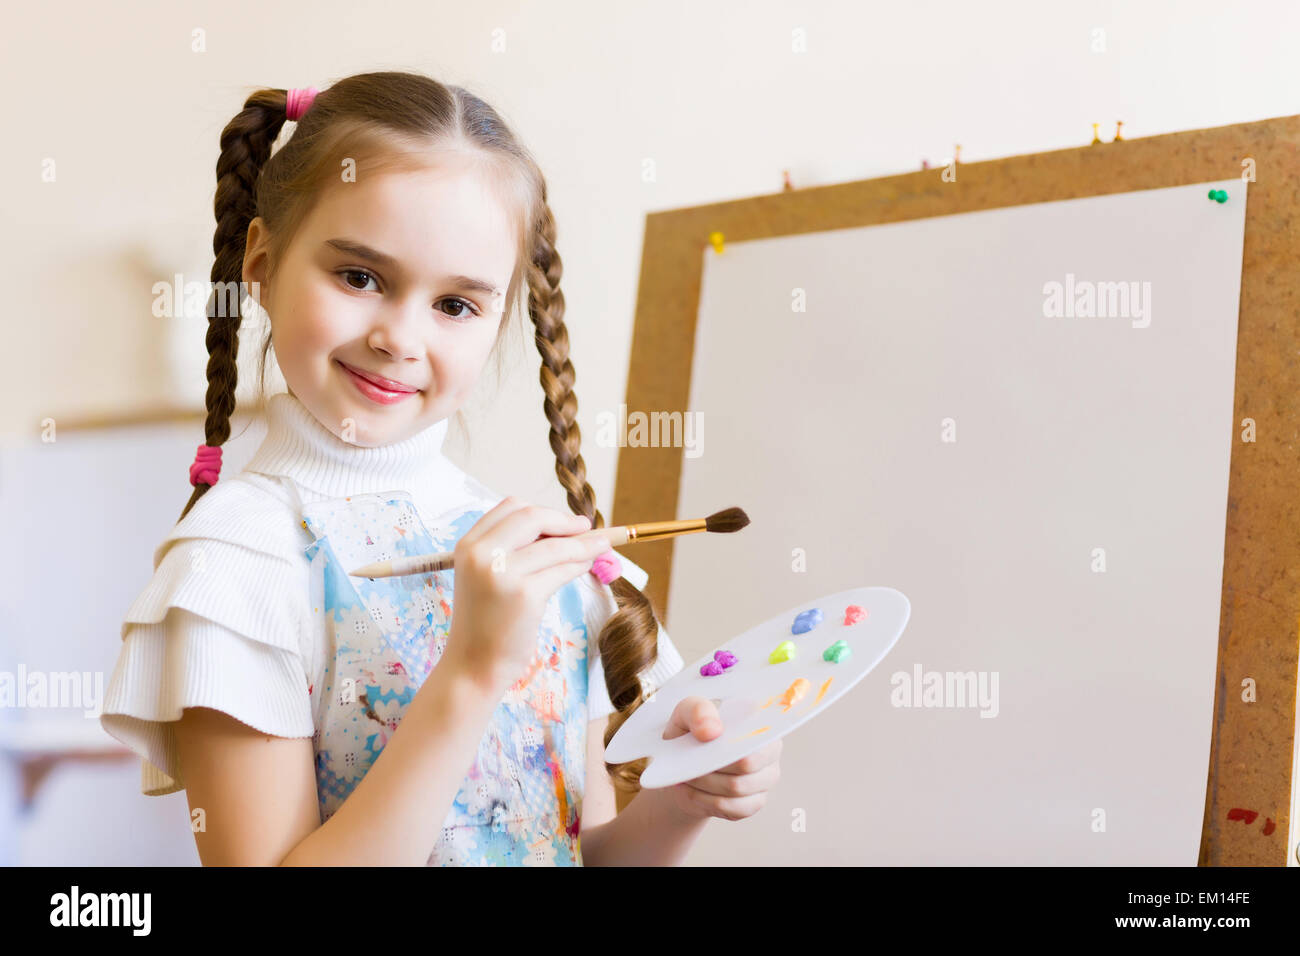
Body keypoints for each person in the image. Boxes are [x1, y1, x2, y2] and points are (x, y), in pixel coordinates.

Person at [100, 72, 781, 866]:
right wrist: (473, 670)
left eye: (455, 305)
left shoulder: (534, 563)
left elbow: (576, 851)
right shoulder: (239, 563)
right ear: (261, 259)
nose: (400, 336)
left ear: (499, 320)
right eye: (359, 277)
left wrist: (674, 808)